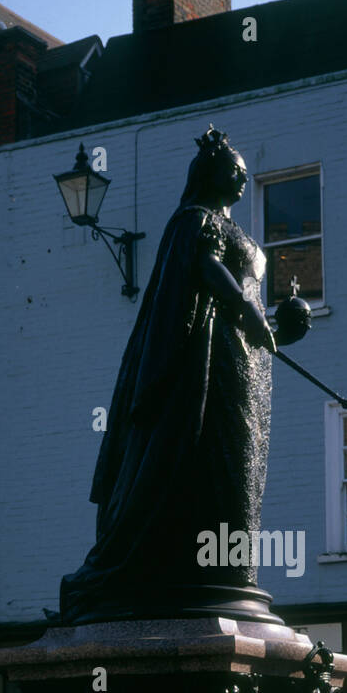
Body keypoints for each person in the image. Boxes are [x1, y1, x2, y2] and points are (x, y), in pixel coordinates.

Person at [59, 124, 277, 624]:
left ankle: (223, 569)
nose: (242, 183)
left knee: (233, 465)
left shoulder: (222, 225)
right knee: (191, 459)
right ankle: (172, 567)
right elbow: (207, 269)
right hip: (199, 364)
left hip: (237, 367)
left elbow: (243, 296)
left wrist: (276, 322)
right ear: (212, 173)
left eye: (245, 176)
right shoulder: (193, 221)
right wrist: (248, 310)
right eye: (235, 173)